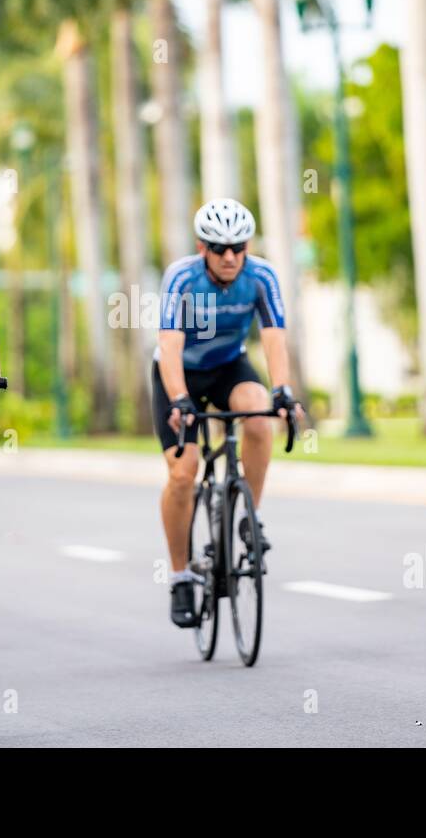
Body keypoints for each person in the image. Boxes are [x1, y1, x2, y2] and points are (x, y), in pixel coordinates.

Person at [153, 198, 303, 628]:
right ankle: (181, 575)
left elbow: (274, 337)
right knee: (184, 472)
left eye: (239, 246)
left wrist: (283, 392)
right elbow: (169, 346)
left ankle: (247, 518)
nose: (231, 256)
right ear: (203, 248)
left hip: (227, 368)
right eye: (220, 248)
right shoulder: (181, 276)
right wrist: (180, 399)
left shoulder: (261, 275)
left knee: (258, 415)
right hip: (179, 372)